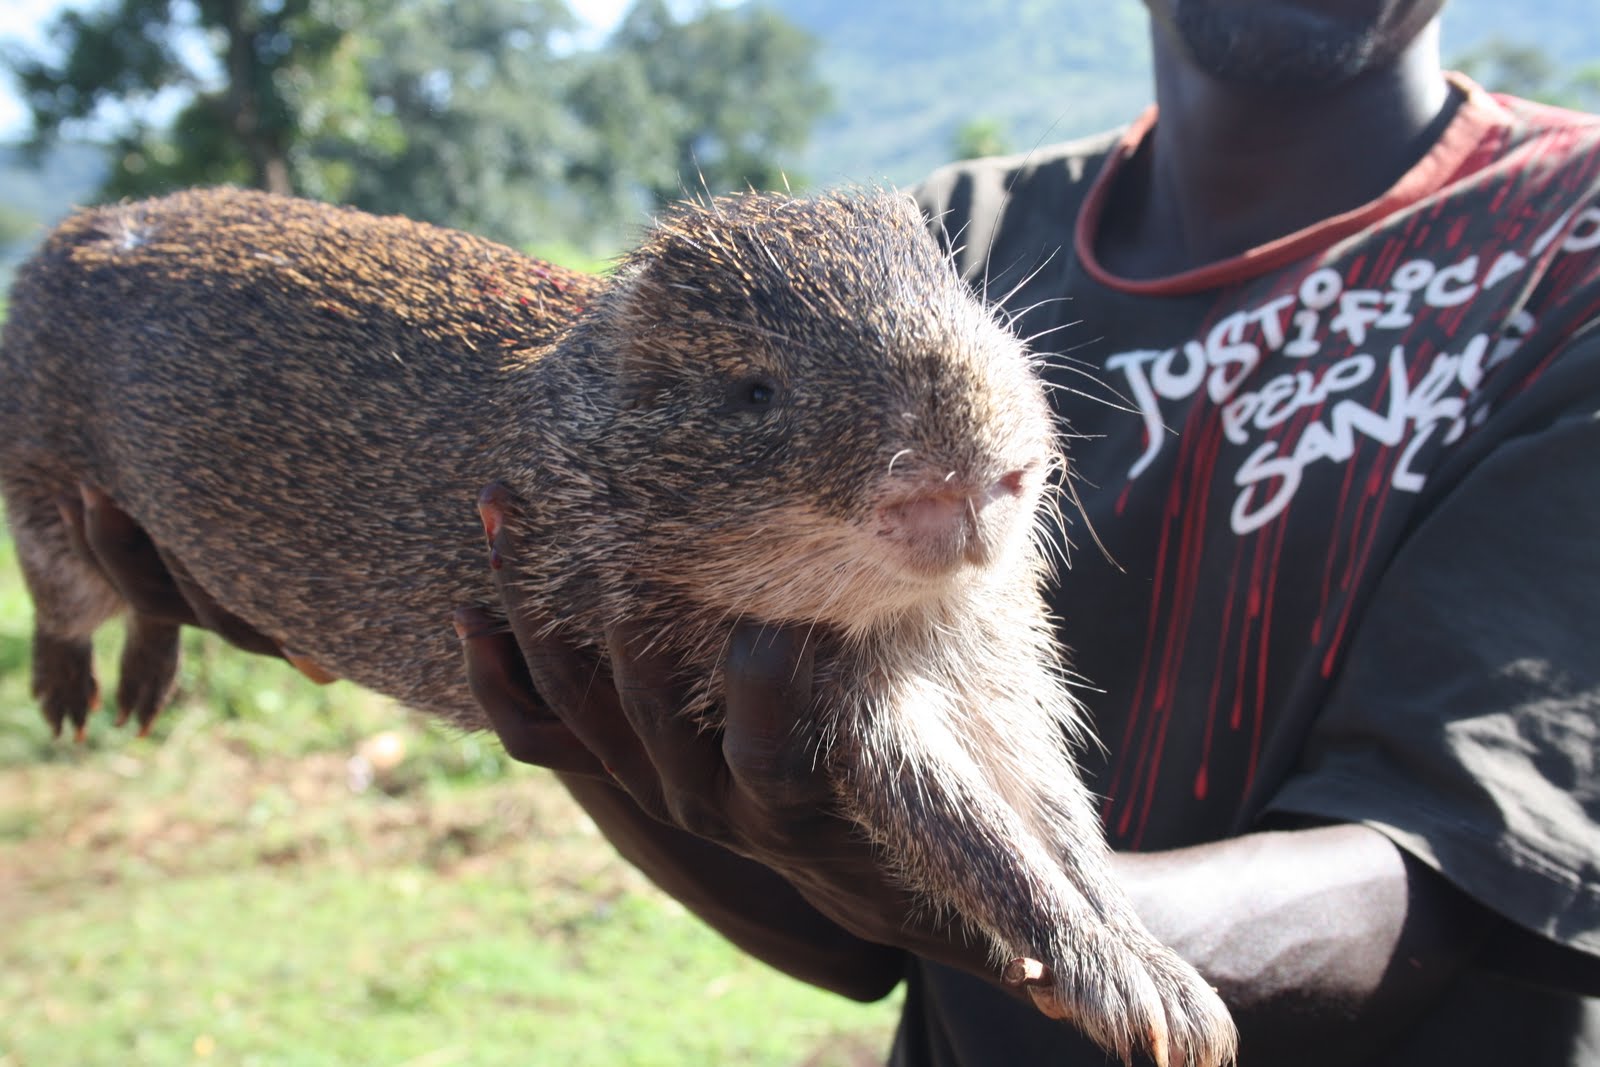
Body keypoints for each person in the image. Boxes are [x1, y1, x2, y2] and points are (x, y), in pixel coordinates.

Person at [61, 0, 1600, 1062]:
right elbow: (849, 940)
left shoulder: (1570, 249)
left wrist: (1064, 919)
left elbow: (1472, 862)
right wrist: (578, 734)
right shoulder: (945, 232)